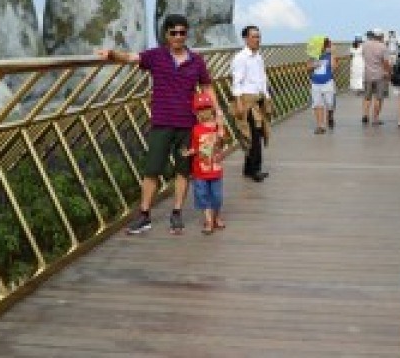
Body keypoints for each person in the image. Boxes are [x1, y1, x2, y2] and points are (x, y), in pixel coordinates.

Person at [95, 14, 220, 235]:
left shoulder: (196, 60)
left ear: (186, 34)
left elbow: (207, 86)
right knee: (152, 169)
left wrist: (217, 114)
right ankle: (144, 215)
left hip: (187, 124)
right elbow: (132, 58)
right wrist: (112, 54)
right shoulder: (156, 56)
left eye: (182, 32)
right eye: (174, 33)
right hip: (162, 122)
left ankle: (177, 213)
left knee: (183, 170)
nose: (178, 37)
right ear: (166, 34)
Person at [232, 25, 272, 181]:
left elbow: (262, 78)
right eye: (254, 37)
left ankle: (249, 168)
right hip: (247, 101)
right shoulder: (241, 58)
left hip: (259, 98)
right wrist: (239, 103)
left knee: (259, 133)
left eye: (258, 37)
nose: (257, 40)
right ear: (246, 38)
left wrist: (267, 96)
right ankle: (255, 169)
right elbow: (237, 81)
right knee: (253, 136)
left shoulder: (258, 57)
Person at [185, 91, 226, 234]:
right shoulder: (196, 129)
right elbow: (196, 147)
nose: (203, 113)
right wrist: (189, 152)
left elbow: (221, 142)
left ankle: (217, 216)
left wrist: (220, 126)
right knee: (202, 195)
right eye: (199, 110)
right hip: (200, 170)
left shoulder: (216, 127)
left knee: (217, 196)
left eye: (206, 109)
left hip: (215, 169)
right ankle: (208, 221)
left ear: (211, 110)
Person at [360, 29, 393, 125]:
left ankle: (365, 115)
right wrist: (389, 73)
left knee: (367, 97)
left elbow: (363, 56)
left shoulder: (365, 45)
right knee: (379, 98)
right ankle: (375, 118)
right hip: (380, 76)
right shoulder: (383, 47)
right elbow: (386, 62)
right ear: (381, 36)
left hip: (367, 75)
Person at [311, 37, 338, 134]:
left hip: (327, 82)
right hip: (315, 82)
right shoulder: (314, 55)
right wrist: (314, 65)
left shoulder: (330, 55)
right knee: (318, 104)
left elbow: (334, 67)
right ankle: (320, 126)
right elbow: (307, 66)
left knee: (330, 103)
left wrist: (333, 54)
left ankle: (330, 113)